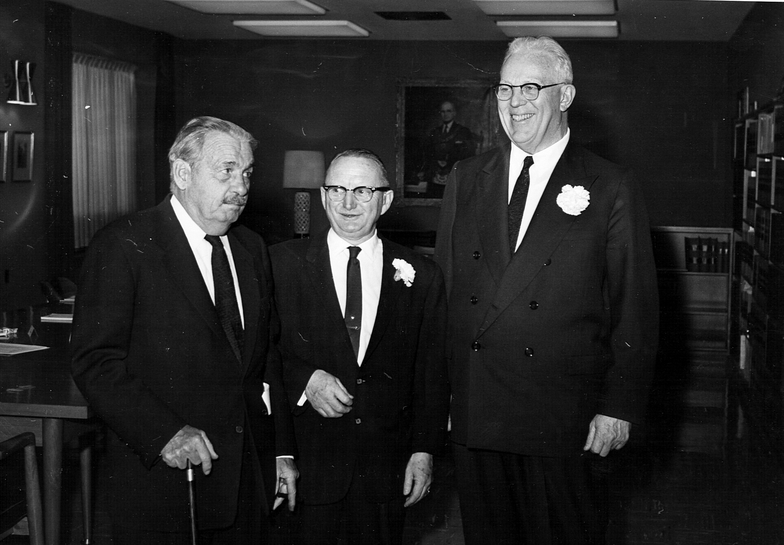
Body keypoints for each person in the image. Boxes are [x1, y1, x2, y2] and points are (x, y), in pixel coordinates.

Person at [434, 37, 659, 545]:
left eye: (532, 87)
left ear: (566, 96)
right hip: (477, 408)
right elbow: (445, 295)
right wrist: (438, 397)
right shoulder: (467, 178)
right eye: (506, 89)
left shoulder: (610, 184)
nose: (516, 103)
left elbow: (635, 308)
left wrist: (619, 405)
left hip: (564, 417)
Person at [71, 116, 298, 545]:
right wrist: (166, 433)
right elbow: (95, 363)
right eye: (227, 171)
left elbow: (266, 357)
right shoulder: (124, 245)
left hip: (247, 480)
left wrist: (281, 451)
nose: (242, 187)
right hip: (165, 484)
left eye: (247, 173)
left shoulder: (251, 249)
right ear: (182, 172)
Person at [270, 148, 449, 545]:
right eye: (337, 189)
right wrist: (305, 380)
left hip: (384, 469)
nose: (348, 203)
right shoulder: (279, 264)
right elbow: (261, 355)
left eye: (362, 190)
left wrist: (424, 450)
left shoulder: (422, 275)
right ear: (322, 196)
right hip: (307, 465)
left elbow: (431, 371)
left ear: (384, 200)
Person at [417, 101, 476, 197]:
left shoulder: (463, 132)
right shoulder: (434, 132)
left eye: (449, 111)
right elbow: (428, 154)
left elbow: (469, 155)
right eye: (443, 111)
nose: (445, 114)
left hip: (455, 175)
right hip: (435, 175)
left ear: (454, 113)